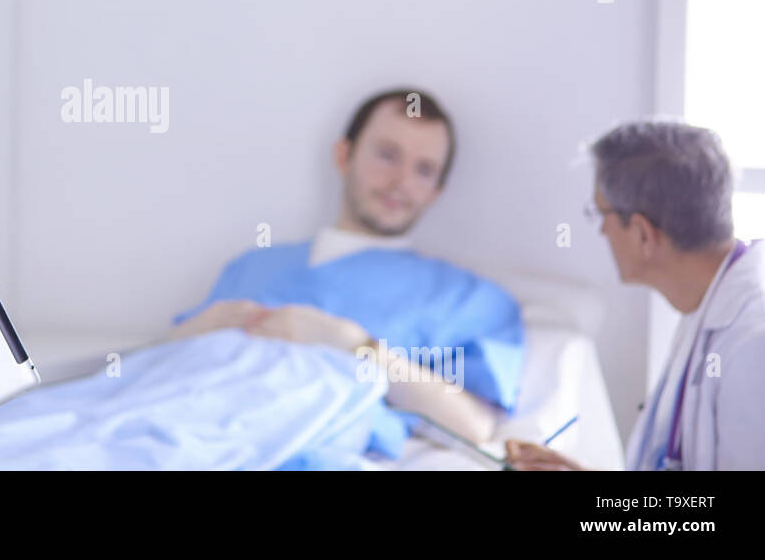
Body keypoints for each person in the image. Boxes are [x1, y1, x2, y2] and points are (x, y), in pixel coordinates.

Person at [168, 89, 524, 453]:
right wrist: (192, 332)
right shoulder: (252, 266)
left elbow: (474, 425)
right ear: (344, 155)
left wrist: (353, 344)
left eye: (424, 169)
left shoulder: (467, 298)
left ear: (436, 191)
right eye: (387, 155)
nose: (400, 181)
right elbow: (146, 372)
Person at [506, 120, 765, 471]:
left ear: (643, 234)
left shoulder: (752, 347)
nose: (601, 230)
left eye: (603, 213)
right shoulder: (704, 299)